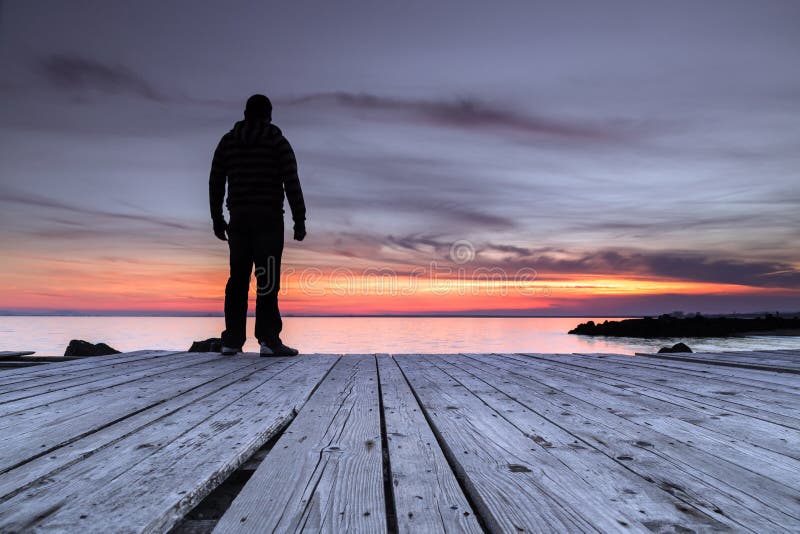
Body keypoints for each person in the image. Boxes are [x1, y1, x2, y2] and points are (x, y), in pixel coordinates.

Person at [209, 94, 306, 356]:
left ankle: (232, 341)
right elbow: (291, 182)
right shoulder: (277, 142)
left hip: (239, 220)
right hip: (269, 220)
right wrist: (300, 220)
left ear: (245, 113)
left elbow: (216, 182)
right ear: (269, 115)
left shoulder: (228, 142)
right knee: (268, 280)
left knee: (238, 280)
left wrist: (217, 218)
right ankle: (268, 340)